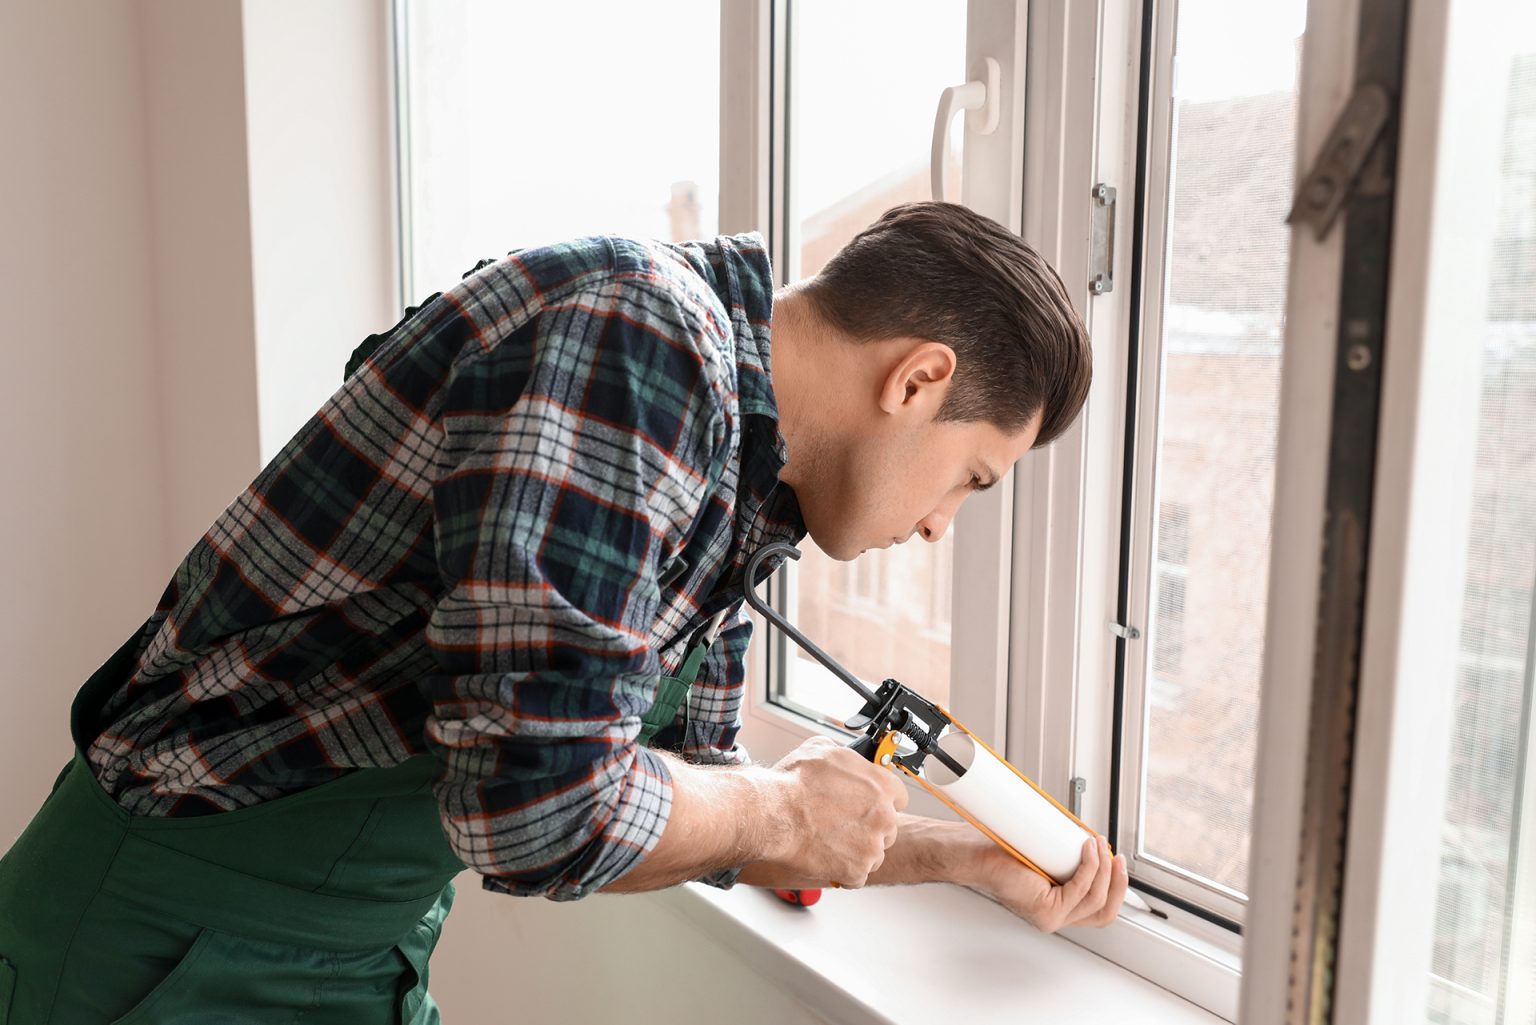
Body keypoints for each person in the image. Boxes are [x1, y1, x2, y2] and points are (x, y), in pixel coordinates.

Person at [0, 201, 1123, 1023]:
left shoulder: (747, 479)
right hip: (161, 943)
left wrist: (961, 857)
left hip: (359, 953)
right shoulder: (634, 340)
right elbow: (543, 813)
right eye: (973, 478)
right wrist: (778, 809)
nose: (939, 527)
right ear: (919, 379)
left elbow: (696, 797)